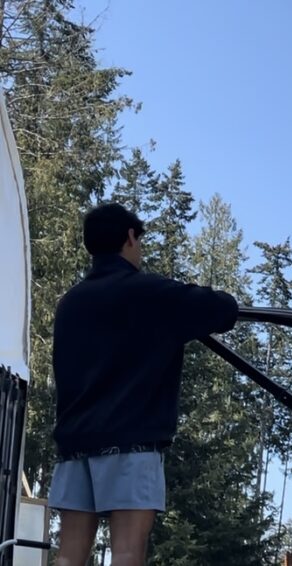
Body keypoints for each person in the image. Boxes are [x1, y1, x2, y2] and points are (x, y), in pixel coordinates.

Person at [48, 203, 239, 566]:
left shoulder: (70, 304)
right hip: (130, 446)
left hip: (75, 444)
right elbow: (223, 308)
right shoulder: (151, 293)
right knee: (126, 553)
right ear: (130, 238)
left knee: (68, 556)